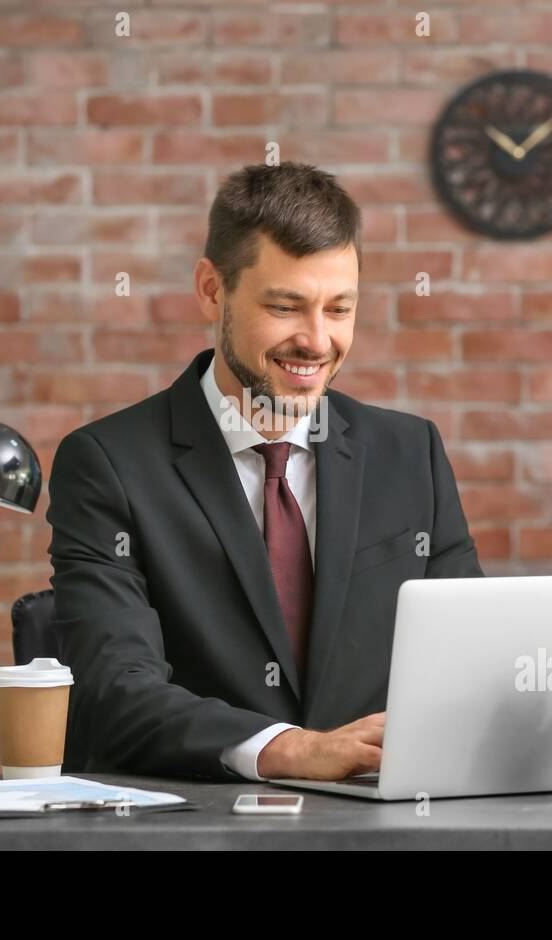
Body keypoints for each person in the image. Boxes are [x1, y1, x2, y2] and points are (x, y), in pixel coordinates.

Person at [46, 162, 482, 781]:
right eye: (286, 306)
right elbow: (114, 692)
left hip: (383, 820)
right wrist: (292, 750)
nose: (317, 340)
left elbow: (468, 657)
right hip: (202, 823)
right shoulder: (108, 464)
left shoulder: (411, 453)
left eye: (339, 309)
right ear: (210, 289)